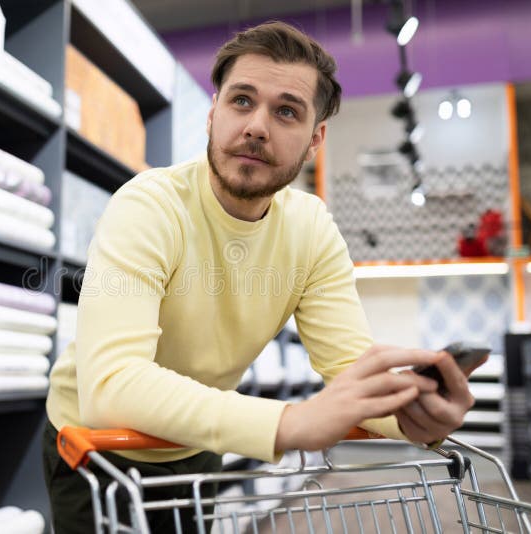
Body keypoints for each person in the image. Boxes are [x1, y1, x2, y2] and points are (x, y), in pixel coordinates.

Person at [43, 20, 479, 533]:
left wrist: (410, 415)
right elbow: (111, 388)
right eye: (242, 101)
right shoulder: (150, 205)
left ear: (315, 139)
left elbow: (348, 368)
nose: (256, 126)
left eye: (286, 111)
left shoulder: (311, 229)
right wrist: (289, 422)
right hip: (95, 451)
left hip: (194, 442)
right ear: (213, 113)